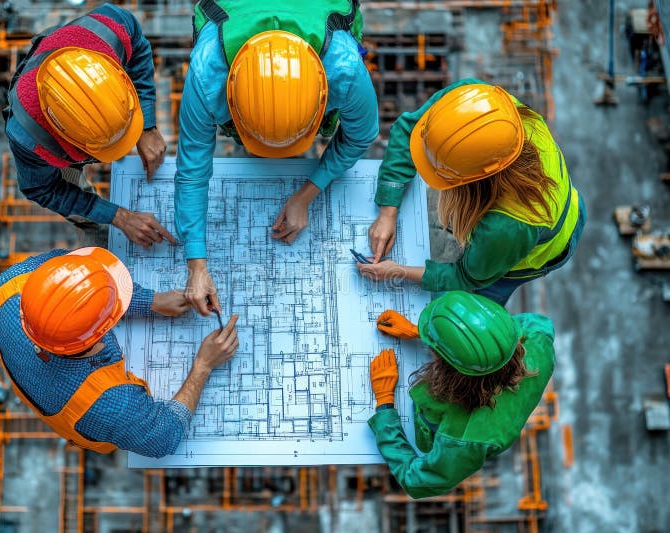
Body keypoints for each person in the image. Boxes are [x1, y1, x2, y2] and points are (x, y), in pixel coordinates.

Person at [177, 0, 379, 315]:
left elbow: (361, 135)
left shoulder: (344, 70)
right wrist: (196, 264)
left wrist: (307, 192)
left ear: (323, 96)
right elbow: (192, 170)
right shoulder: (206, 74)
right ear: (231, 99)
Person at [0, 247, 240, 457]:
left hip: (28, 374)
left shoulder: (16, 280)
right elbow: (163, 439)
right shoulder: (109, 404)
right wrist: (203, 366)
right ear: (98, 335)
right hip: (80, 418)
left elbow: (77, 275)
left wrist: (152, 301)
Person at [358, 79, 586, 305]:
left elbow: (466, 277)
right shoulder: (477, 106)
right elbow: (410, 131)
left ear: (473, 184)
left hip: (548, 245)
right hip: (558, 201)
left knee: (479, 303)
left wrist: (398, 271)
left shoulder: (505, 227)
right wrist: (388, 211)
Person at [5, 4, 174, 248]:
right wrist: (119, 217)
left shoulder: (109, 30)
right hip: (45, 135)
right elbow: (42, 189)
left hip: (79, 59)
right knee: (91, 215)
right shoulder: (29, 139)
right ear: (74, 147)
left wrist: (146, 126)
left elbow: (138, 44)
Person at [368, 291, 555, 498]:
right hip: (506, 409)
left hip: (472, 432)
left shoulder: (462, 439)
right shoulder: (540, 346)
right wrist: (426, 333)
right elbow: (530, 327)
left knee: (426, 425)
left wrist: (385, 404)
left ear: (451, 374)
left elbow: (417, 482)